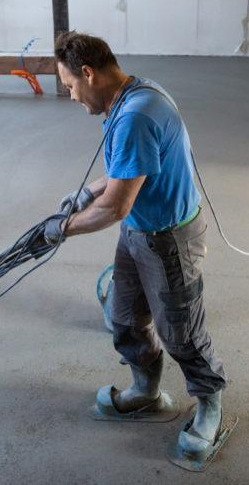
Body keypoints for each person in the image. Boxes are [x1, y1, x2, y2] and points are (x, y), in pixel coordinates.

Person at [45, 31, 228, 459]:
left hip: (170, 239)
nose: (71, 97)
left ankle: (210, 405)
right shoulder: (132, 92)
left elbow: (117, 207)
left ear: (88, 74)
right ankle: (146, 391)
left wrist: (65, 227)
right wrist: (88, 191)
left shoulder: (135, 116)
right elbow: (130, 169)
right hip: (140, 232)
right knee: (123, 316)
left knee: (181, 333)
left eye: (70, 86)